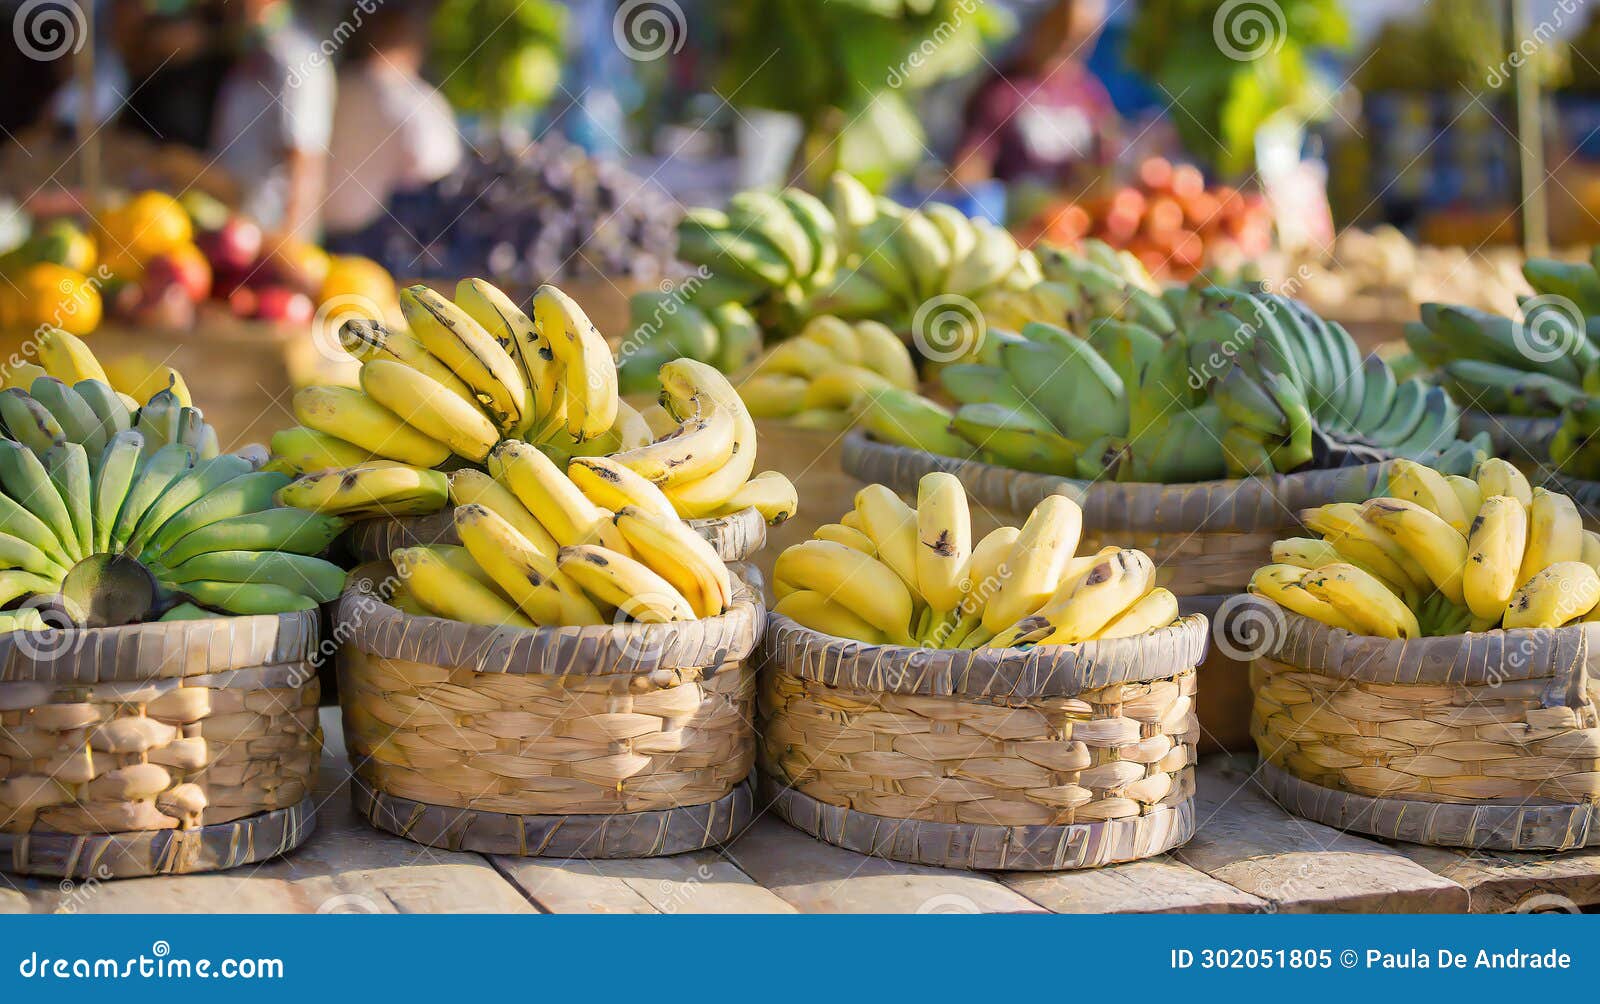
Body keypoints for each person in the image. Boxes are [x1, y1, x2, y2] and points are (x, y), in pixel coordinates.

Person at [952, 0, 1118, 212]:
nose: (1069, 40)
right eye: (1062, 28)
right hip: (1011, 225)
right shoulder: (1004, 89)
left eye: (1082, 34)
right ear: (1043, 22)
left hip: (1068, 224)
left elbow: (1104, 172)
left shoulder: (1091, 95)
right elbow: (970, 165)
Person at [322, 3, 461, 239]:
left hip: (324, 235)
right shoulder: (416, 101)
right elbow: (437, 173)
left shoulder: (335, 86)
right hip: (381, 246)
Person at [210, 0, 334, 240]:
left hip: (269, 239)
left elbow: (306, 168)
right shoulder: (246, 57)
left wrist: (289, 250)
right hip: (232, 233)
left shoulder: (299, 60)